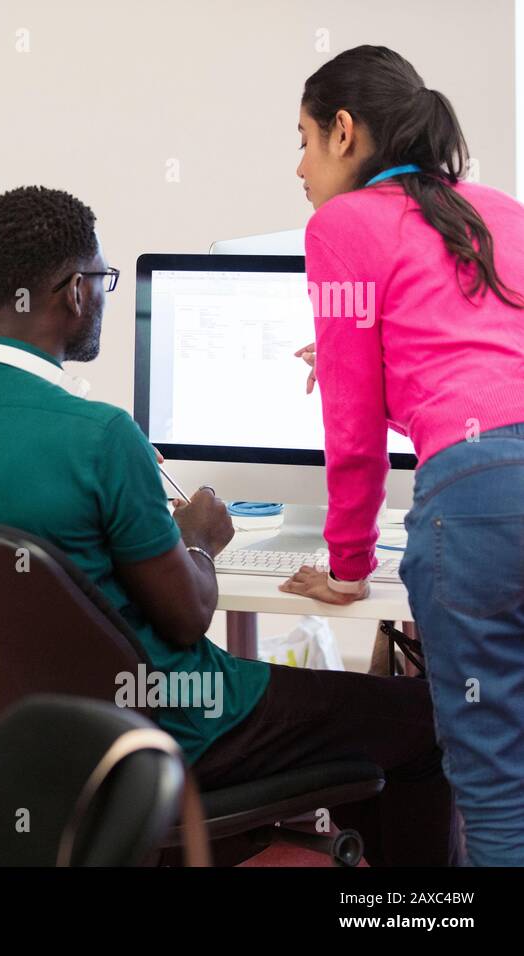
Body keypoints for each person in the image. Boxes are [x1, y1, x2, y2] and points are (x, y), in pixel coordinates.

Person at [0, 185, 455, 865]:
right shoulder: (101, 436)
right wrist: (200, 534)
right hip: (175, 723)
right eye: (103, 281)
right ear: (73, 291)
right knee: (431, 717)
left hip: (12, 741)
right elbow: (188, 617)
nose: (104, 298)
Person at [278, 45, 524, 865]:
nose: (301, 167)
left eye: (306, 139)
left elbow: (351, 430)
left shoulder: (341, 225)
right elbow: (483, 366)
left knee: (491, 780)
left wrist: (348, 565)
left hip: (479, 506)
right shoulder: (501, 209)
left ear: (345, 132)